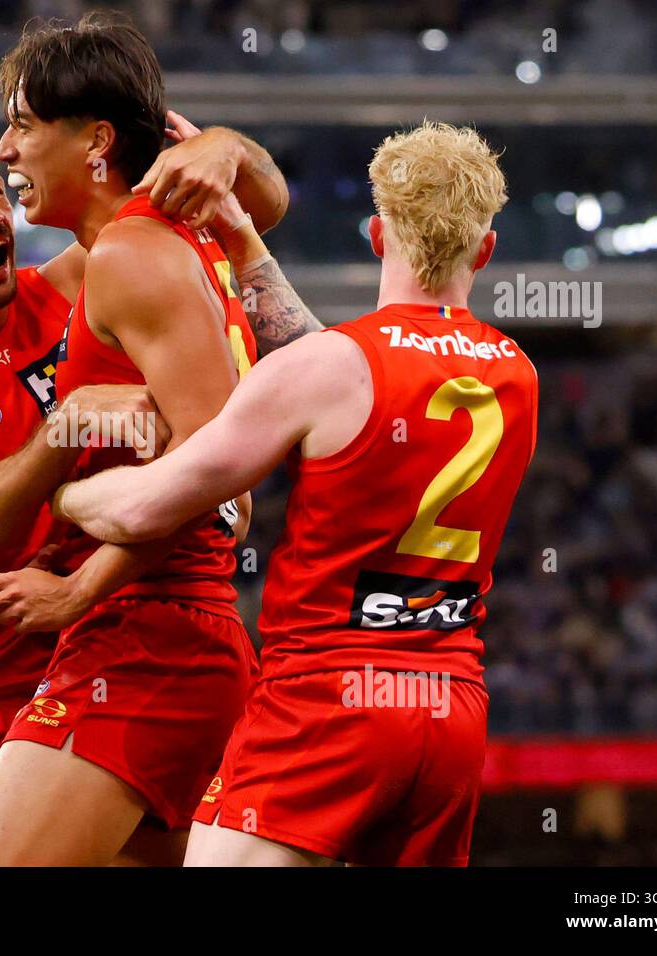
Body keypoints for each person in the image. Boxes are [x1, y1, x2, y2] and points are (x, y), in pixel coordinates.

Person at [54, 121, 538, 867]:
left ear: (377, 236)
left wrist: (65, 495)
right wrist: (246, 241)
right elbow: (367, 375)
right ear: (486, 250)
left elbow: (144, 507)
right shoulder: (516, 375)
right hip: (449, 711)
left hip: (326, 703)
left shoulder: (333, 368)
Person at [0, 116, 287, 866]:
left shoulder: (73, 283)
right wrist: (65, 427)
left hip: (99, 664)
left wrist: (230, 148)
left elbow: (246, 209)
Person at [0, 12, 288, 866]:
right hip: (175, 634)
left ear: (96, 139)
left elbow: (218, 478)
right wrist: (224, 147)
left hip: (148, 639)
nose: (7, 150)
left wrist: (77, 589)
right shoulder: (172, 236)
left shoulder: (131, 255)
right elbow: (270, 197)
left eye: (23, 124)